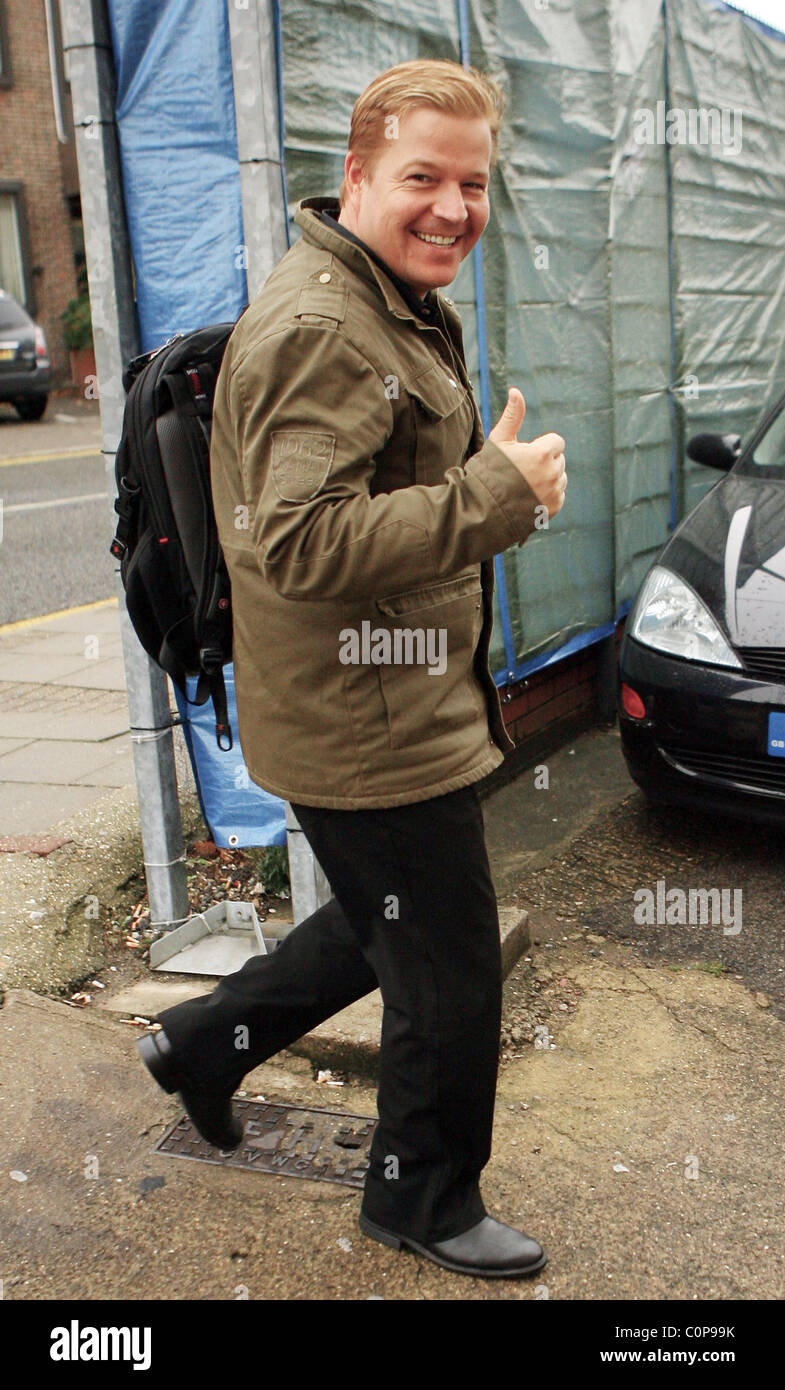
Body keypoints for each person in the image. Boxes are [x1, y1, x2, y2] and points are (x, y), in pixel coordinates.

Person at [138, 58, 566, 1280]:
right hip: (366, 721)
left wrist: (468, 484)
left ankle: (204, 1044)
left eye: (472, 183)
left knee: (389, 924)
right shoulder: (327, 326)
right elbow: (295, 541)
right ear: (356, 176)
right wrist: (493, 493)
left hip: (374, 699)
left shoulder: (378, 292)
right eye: (421, 177)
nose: (451, 208)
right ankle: (417, 1198)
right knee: (447, 971)